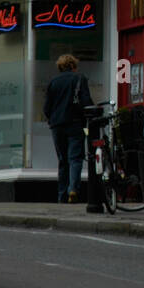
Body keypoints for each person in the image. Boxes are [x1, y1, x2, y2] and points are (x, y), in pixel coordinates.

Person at [43, 54, 93, 203]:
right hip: (75, 123)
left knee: (62, 160)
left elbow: (46, 107)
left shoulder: (53, 82)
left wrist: (51, 119)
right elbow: (86, 102)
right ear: (73, 65)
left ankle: (62, 195)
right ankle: (73, 189)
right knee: (75, 158)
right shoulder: (79, 78)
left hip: (57, 126)